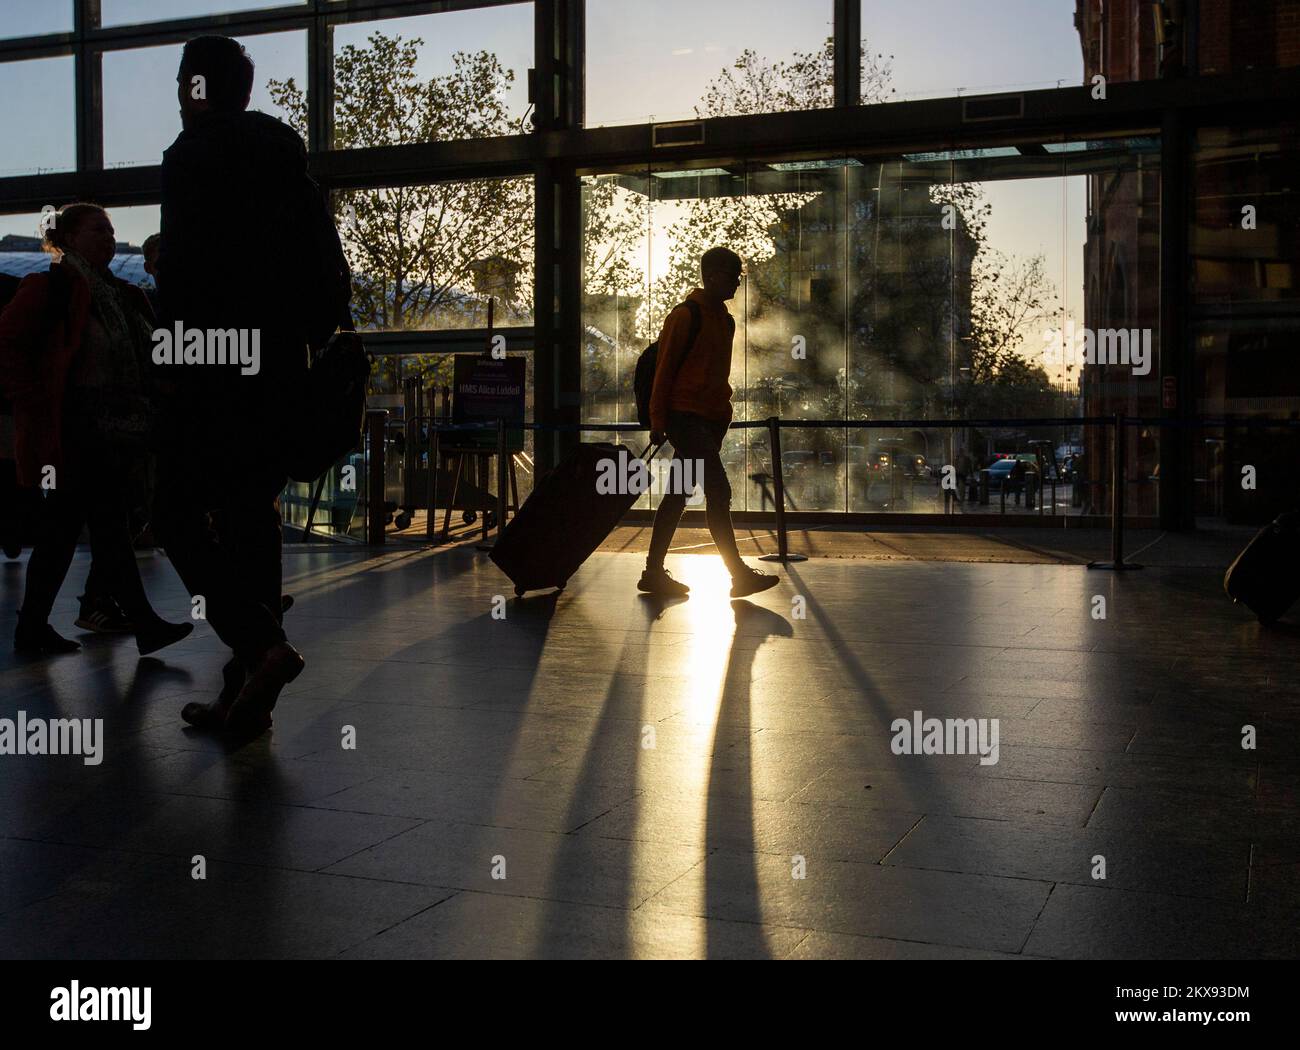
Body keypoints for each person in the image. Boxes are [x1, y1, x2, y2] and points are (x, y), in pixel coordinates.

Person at [151, 35, 348, 735]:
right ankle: (247, 694)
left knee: (172, 510)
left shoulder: (193, 155)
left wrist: (174, 360)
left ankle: (261, 647)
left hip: (212, 365)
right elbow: (327, 271)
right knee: (249, 517)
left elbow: (179, 272)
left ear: (196, 87)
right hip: (278, 365)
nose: (180, 96)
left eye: (183, 83)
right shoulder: (286, 160)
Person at [0, 203, 192, 656]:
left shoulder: (118, 294)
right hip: (75, 429)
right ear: (68, 238)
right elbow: (8, 344)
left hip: (103, 429)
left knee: (71, 530)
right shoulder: (49, 289)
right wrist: (31, 399)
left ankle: (34, 627)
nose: (109, 238)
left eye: (111, 231)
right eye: (98, 230)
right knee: (99, 526)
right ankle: (140, 623)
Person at [639, 247, 778, 600]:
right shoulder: (684, 316)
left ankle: (653, 573)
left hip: (704, 424)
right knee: (720, 492)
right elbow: (664, 371)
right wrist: (659, 419)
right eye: (733, 275)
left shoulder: (725, 321)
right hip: (685, 420)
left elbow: (717, 377)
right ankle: (737, 574)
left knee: (676, 496)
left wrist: (720, 419)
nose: (737, 282)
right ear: (713, 275)